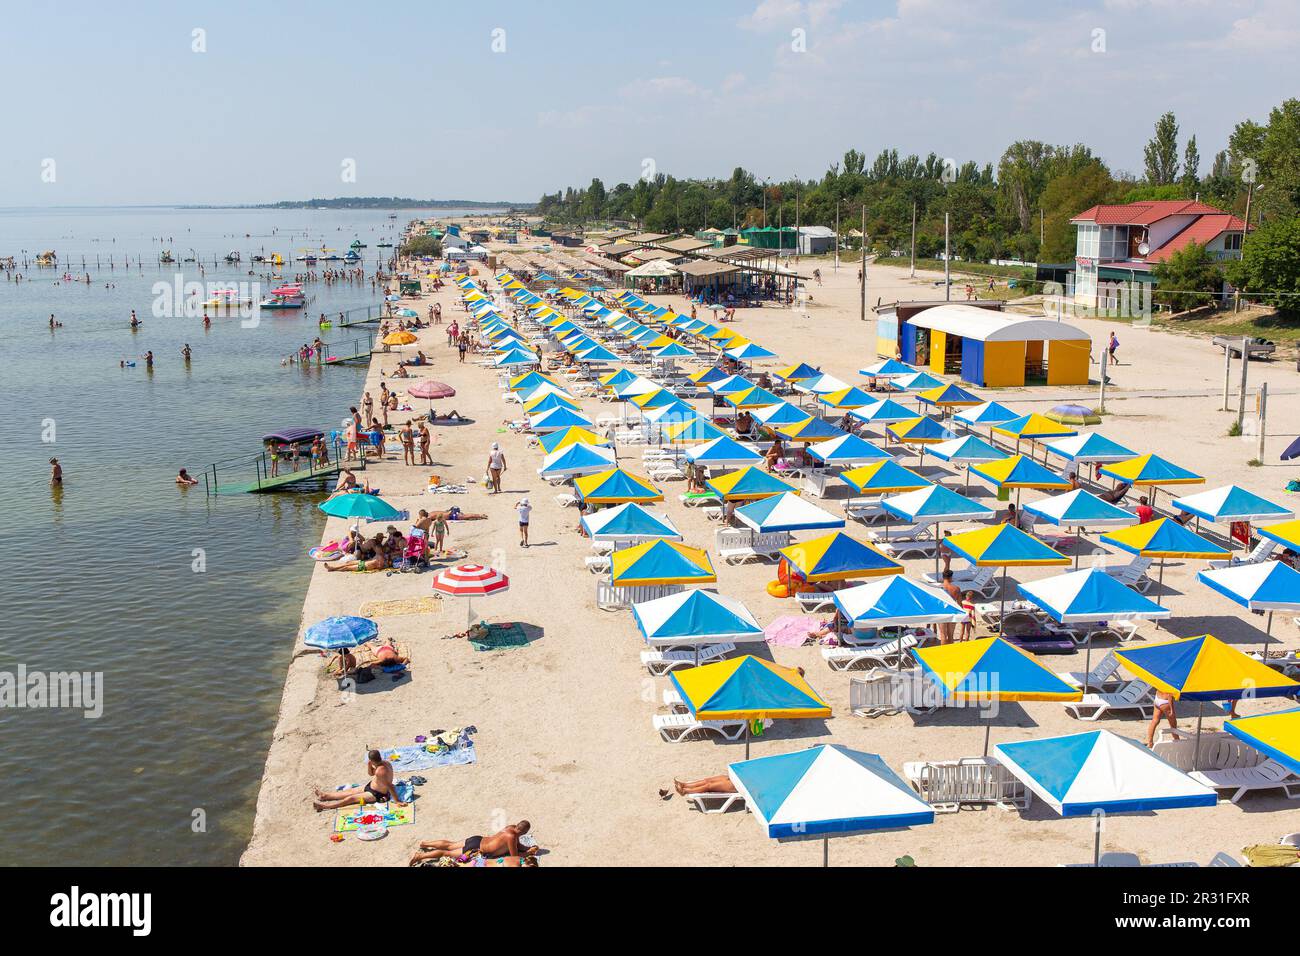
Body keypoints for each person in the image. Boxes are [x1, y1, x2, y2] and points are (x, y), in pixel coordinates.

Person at [409, 821, 537, 865]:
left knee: (450, 844)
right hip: (476, 848)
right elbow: (514, 856)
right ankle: (420, 856)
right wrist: (528, 853)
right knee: (447, 852)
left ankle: (425, 843)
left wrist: (527, 848)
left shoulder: (511, 828)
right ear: (524, 832)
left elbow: (518, 845)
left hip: (477, 839)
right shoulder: (512, 837)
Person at [313, 751, 405, 812]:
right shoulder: (384, 763)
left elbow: (390, 786)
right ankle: (325, 796)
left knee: (351, 799)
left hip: (377, 794)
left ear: (372, 760)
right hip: (371, 786)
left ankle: (324, 807)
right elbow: (371, 774)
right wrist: (369, 765)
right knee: (349, 792)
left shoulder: (380, 771)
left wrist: (397, 801)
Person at [665, 775, 737, 799]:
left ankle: (685, 791)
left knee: (709, 786)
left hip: (740, 785)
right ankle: (684, 785)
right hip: (738, 778)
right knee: (708, 780)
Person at [939, 570, 961, 644]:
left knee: (943, 635)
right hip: (952, 611)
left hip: (942, 612)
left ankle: (943, 653)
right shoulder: (956, 589)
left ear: (943, 577)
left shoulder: (938, 588)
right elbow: (959, 604)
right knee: (951, 635)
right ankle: (950, 652)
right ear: (951, 577)